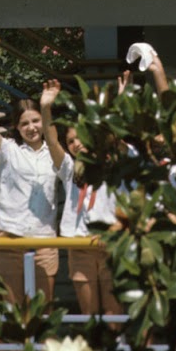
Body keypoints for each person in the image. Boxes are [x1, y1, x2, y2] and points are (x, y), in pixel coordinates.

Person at [0, 75, 59, 301]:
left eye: (36, 121)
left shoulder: (54, 153)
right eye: (24, 123)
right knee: (11, 310)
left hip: (43, 240)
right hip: (9, 239)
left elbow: (53, 139)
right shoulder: (8, 150)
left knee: (42, 310)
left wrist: (47, 108)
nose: (31, 128)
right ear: (16, 126)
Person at [43, 81, 119, 319]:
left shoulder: (111, 163)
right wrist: (46, 108)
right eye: (72, 141)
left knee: (113, 312)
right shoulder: (68, 168)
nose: (77, 144)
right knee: (89, 314)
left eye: (81, 137)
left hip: (109, 243)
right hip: (80, 246)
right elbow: (51, 140)